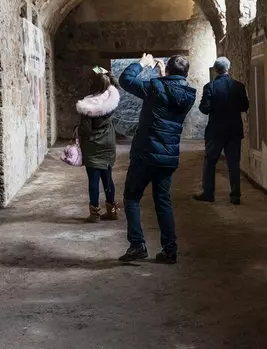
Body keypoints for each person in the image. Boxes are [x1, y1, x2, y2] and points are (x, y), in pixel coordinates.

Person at [116, 53, 197, 264]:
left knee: (132, 198)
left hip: (145, 154)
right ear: (185, 74)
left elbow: (126, 79)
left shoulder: (154, 88)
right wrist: (164, 75)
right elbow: (171, 92)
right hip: (167, 156)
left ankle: (137, 245)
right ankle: (169, 250)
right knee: (163, 202)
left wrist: (142, 64)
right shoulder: (188, 94)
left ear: (168, 70)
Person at [194, 56, 249, 204]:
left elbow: (204, 109)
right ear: (228, 69)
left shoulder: (209, 87)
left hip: (215, 130)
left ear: (215, 70)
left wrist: (214, 106)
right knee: (233, 163)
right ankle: (235, 196)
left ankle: (208, 193)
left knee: (210, 162)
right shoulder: (239, 86)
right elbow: (245, 106)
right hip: (234, 130)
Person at [76, 68, 121, 222]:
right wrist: (108, 73)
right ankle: (112, 211)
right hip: (108, 143)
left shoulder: (87, 104)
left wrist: (78, 129)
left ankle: (95, 214)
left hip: (93, 146)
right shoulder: (112, 99)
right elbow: (116, 84)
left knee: (93, 180)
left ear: (93, 84)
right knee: (108, 177)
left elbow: (86, 130)